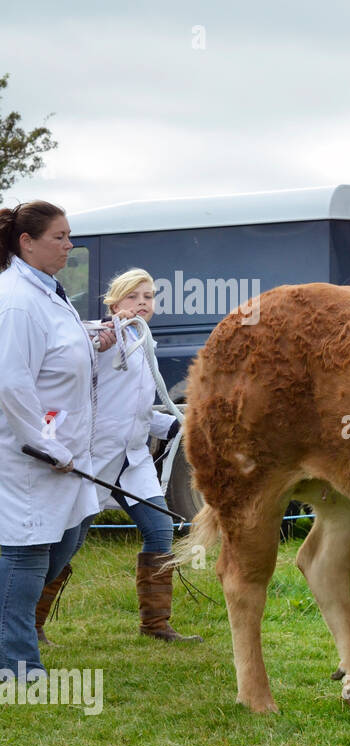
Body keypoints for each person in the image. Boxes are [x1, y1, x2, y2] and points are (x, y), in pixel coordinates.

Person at [0, 200, 115, 679]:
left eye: (70, 236)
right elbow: (11, 383)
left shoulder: (49, 293)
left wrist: (92, 338)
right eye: (59, 237)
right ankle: (19, 666)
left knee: (70, 536)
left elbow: (56, 350)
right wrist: (47, 447)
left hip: (70, 455)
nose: (70, 246)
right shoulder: (16, 300)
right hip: (30, 455)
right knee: (26, 553)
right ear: (27, 243)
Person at [87, 269, 199, 642]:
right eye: (134, 297)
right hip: (94, 461)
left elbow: (138, 410)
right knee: (64, 542)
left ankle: (156, 625)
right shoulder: (97, 340)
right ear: (115, 303)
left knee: (160, 531)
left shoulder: (143, 342)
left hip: (133, 460)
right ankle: (30, 624)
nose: (143, 304)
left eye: (148, 297)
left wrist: (178, 427)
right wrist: (98, 341)